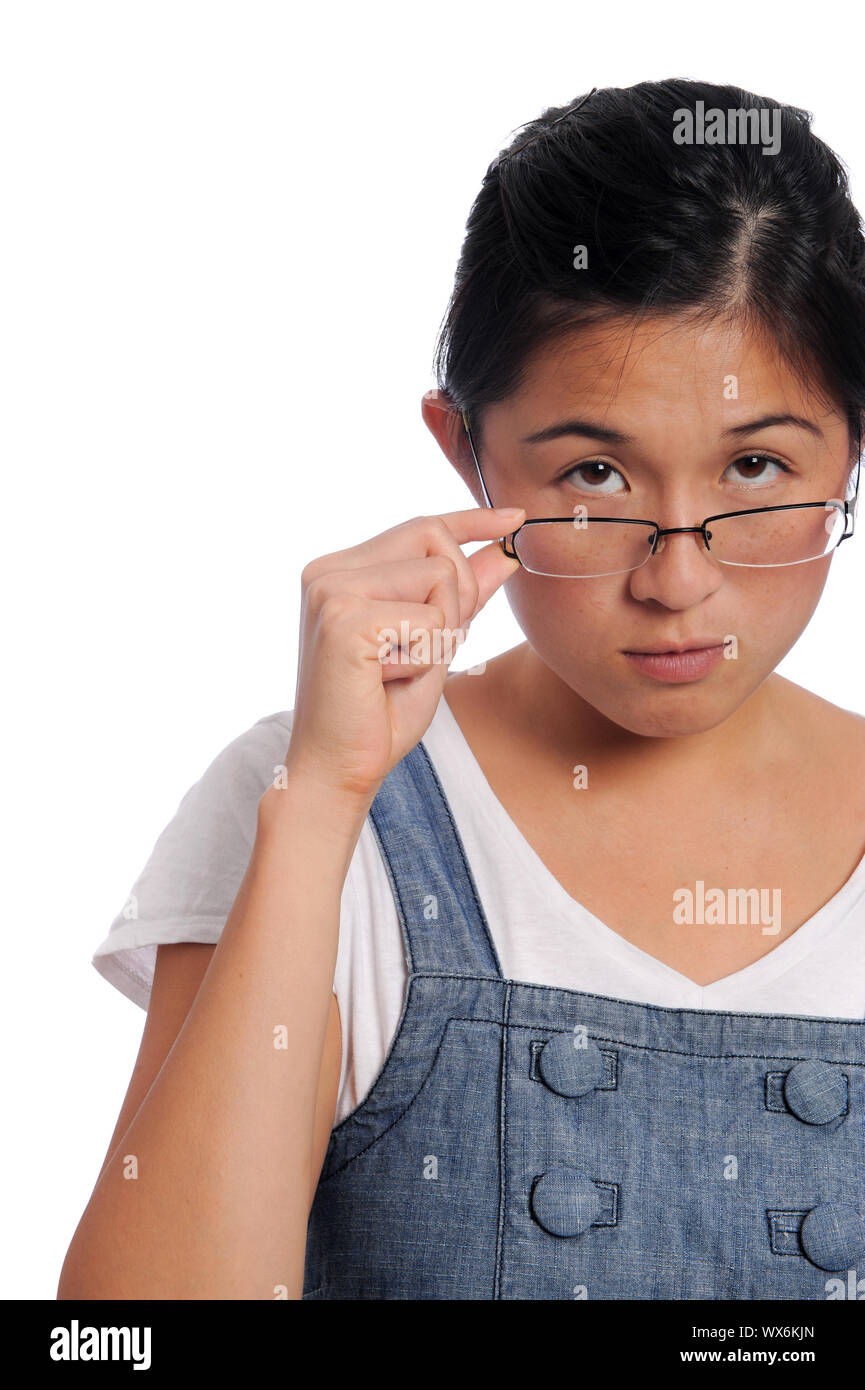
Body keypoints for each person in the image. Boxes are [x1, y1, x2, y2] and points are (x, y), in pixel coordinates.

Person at [58, 78, 865, 1301]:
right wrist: (321, 802)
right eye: (595, 471)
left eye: (755, 465)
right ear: (464, 450)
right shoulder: (330, 808)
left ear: (850, 447)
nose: (677, 578)